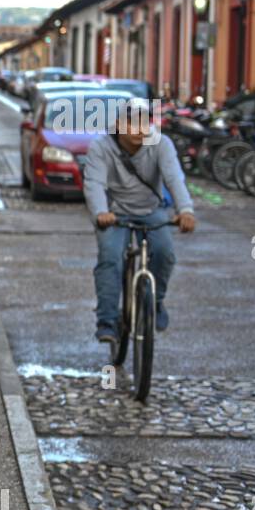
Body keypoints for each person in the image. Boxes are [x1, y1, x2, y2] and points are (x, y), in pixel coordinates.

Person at [82, 99, 196, 344]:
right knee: (110, 258)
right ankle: (107, 321)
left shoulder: (161, 144)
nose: (138, 129)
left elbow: (174, 178)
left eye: (144, 122)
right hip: (114, 213)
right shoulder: (101, 146)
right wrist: (101, 212)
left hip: (151, 209)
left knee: (164, 252)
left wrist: (185, 210)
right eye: (131, 122)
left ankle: (154, 301)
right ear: (118, 124)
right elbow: (94, 184)